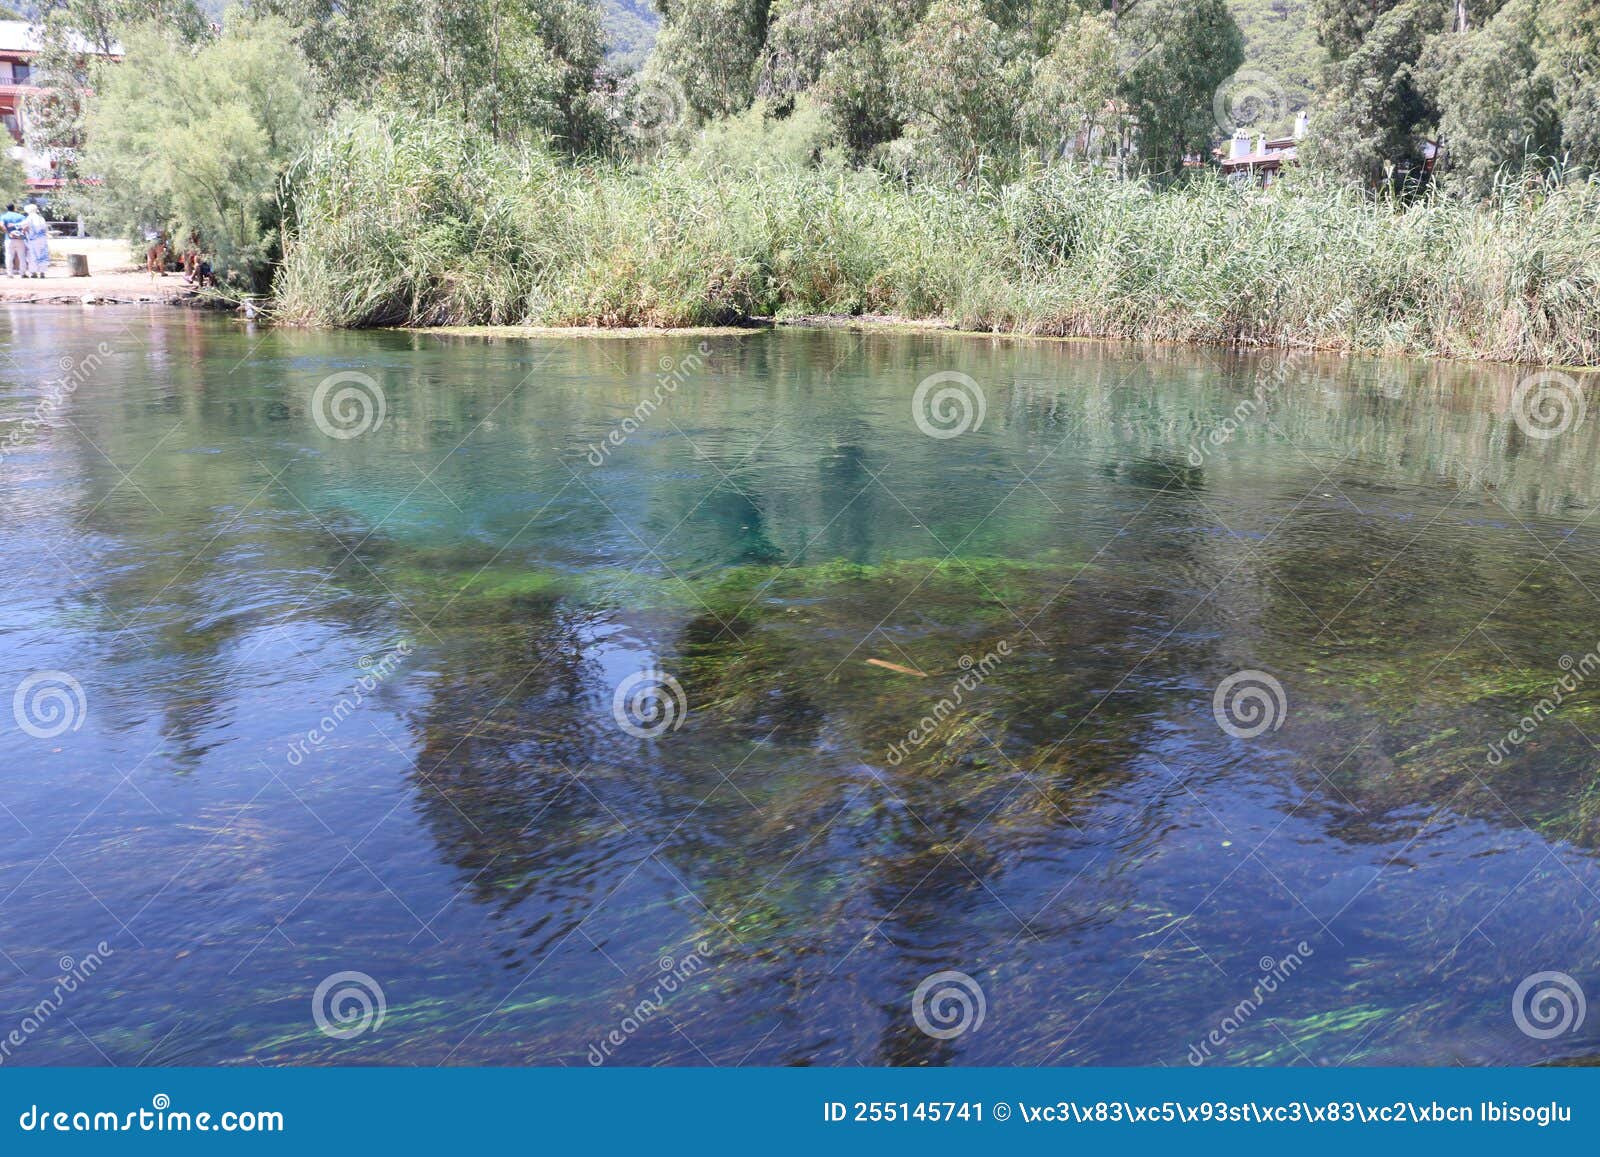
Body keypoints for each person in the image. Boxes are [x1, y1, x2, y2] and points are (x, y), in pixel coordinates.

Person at [22, 204, 48, 278]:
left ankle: (34, 272)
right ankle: (42, 272)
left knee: (32, 255)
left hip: (33, 240)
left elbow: (24, 227)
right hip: (42, 240)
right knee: (42, 255)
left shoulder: (29, 218)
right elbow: (45, 228)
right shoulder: (41, 218)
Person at [1, 204, 26, 278]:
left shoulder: (4, 216)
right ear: (14, 208)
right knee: (22, 256)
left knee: (9, 256)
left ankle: (10, 274)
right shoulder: (21, 216)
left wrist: (8, 233)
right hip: (20, 239)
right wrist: (22, 234)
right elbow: (25, 226)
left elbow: (2, 225)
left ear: (6, 208)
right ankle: (22, 273)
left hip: (9, 239)